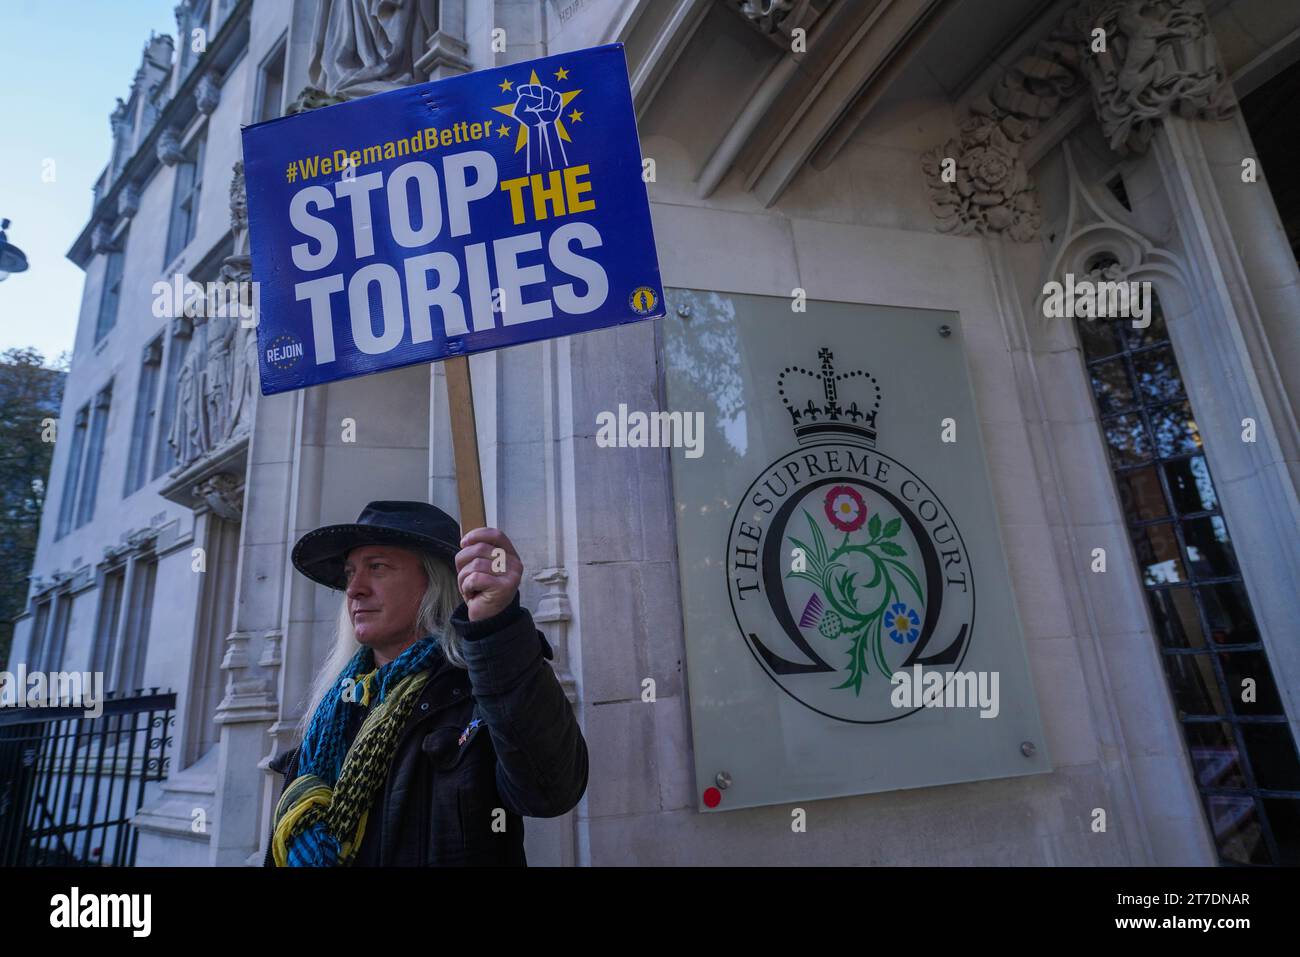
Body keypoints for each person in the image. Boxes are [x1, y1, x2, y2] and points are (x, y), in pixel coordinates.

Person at [263, 499, 587, 866]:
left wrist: (498, 626)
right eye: (351, 572)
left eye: (378, 567)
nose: (354, 589)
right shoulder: (334, 712)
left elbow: (551, 790)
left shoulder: (477, 690)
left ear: (434, 581)